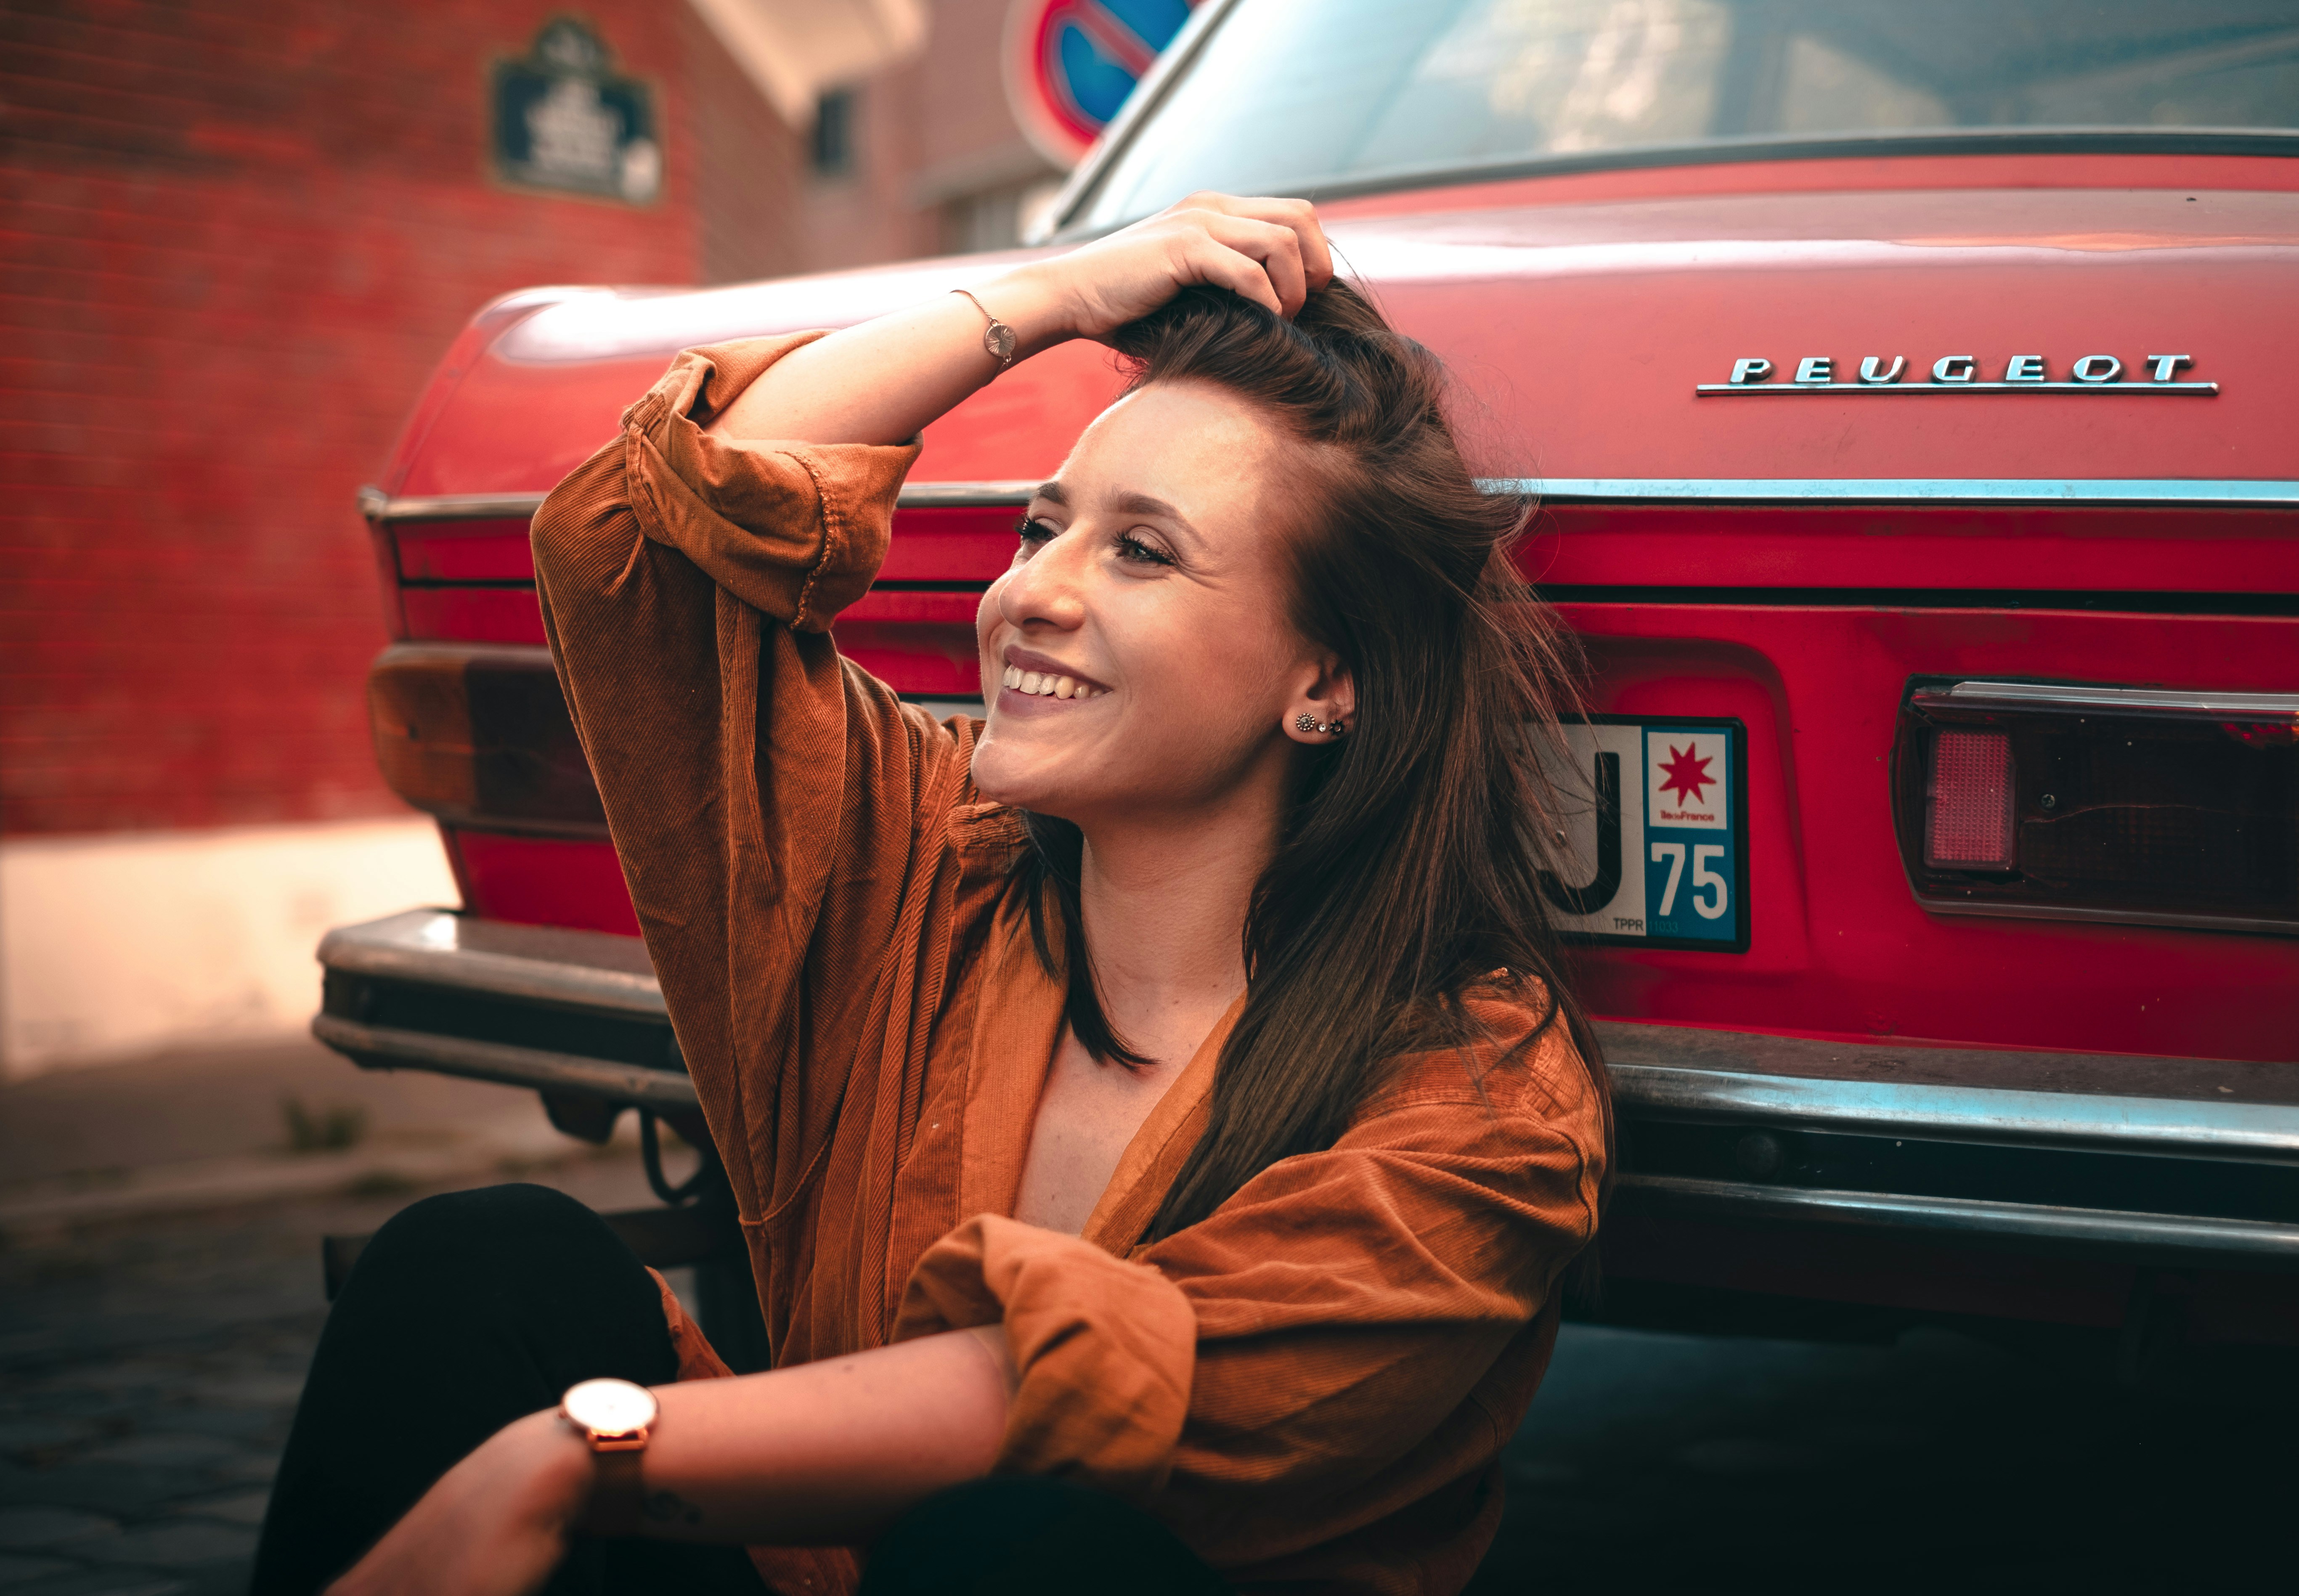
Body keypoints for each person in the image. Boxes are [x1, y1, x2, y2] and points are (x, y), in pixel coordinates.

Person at [252, 193, 1612, 1596]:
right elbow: (660, 538)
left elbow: (1089, 1394)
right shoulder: (919, 866)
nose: (1031, 593)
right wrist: (1057, 297)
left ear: (1322, 681)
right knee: (479, 1265)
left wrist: (564, 1455)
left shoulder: (1481, 1089)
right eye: (1041, 528)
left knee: (1023, 1540)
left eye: (1139, 551)